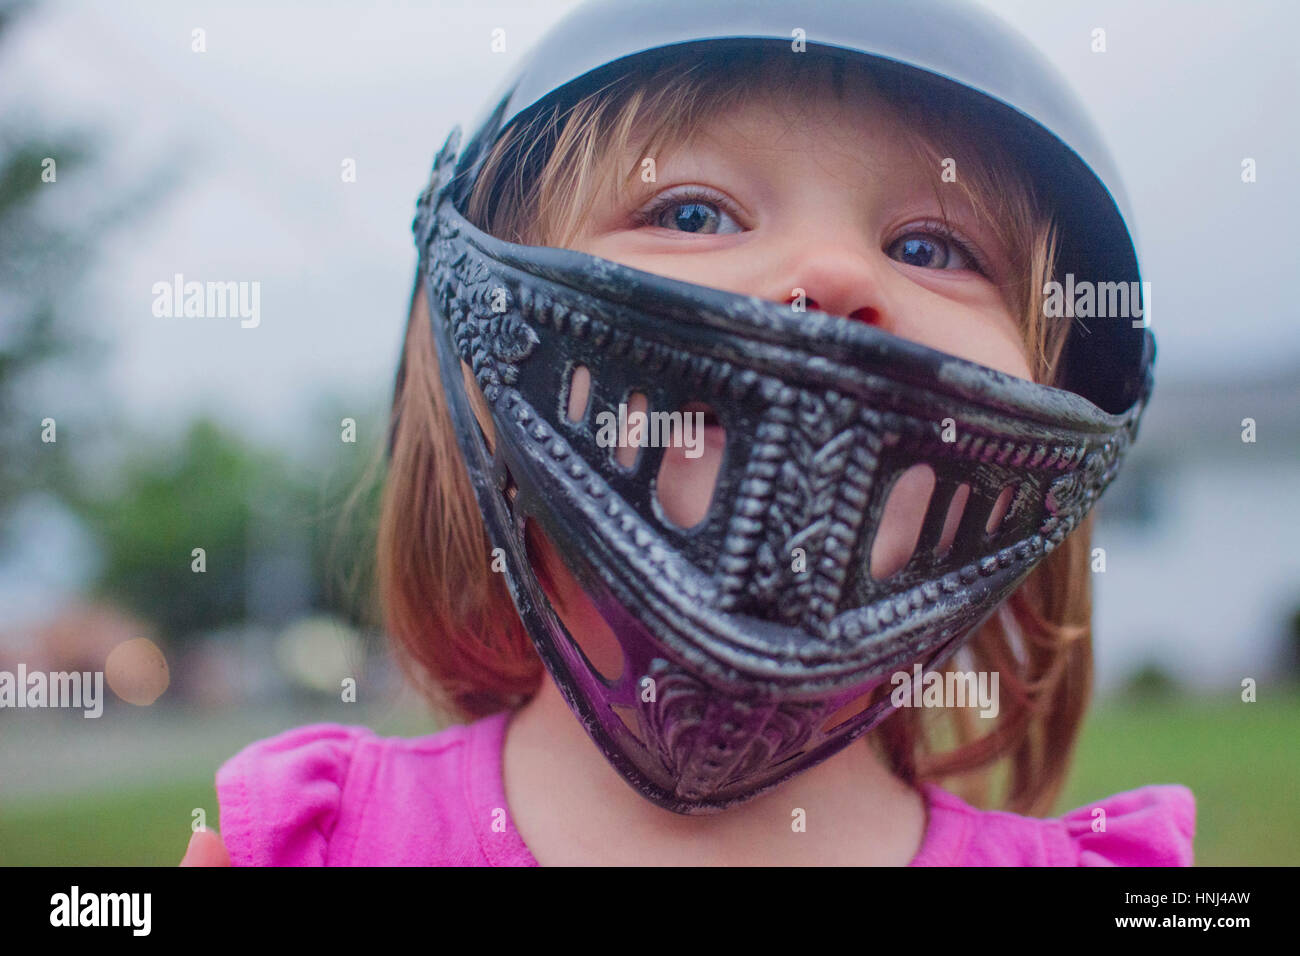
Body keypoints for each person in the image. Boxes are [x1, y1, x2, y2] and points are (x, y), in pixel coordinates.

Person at [183, 0, 1193, 866]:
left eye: (930, 246)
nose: (828, 277)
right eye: (695, 214)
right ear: (482, 337)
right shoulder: (315, 846)